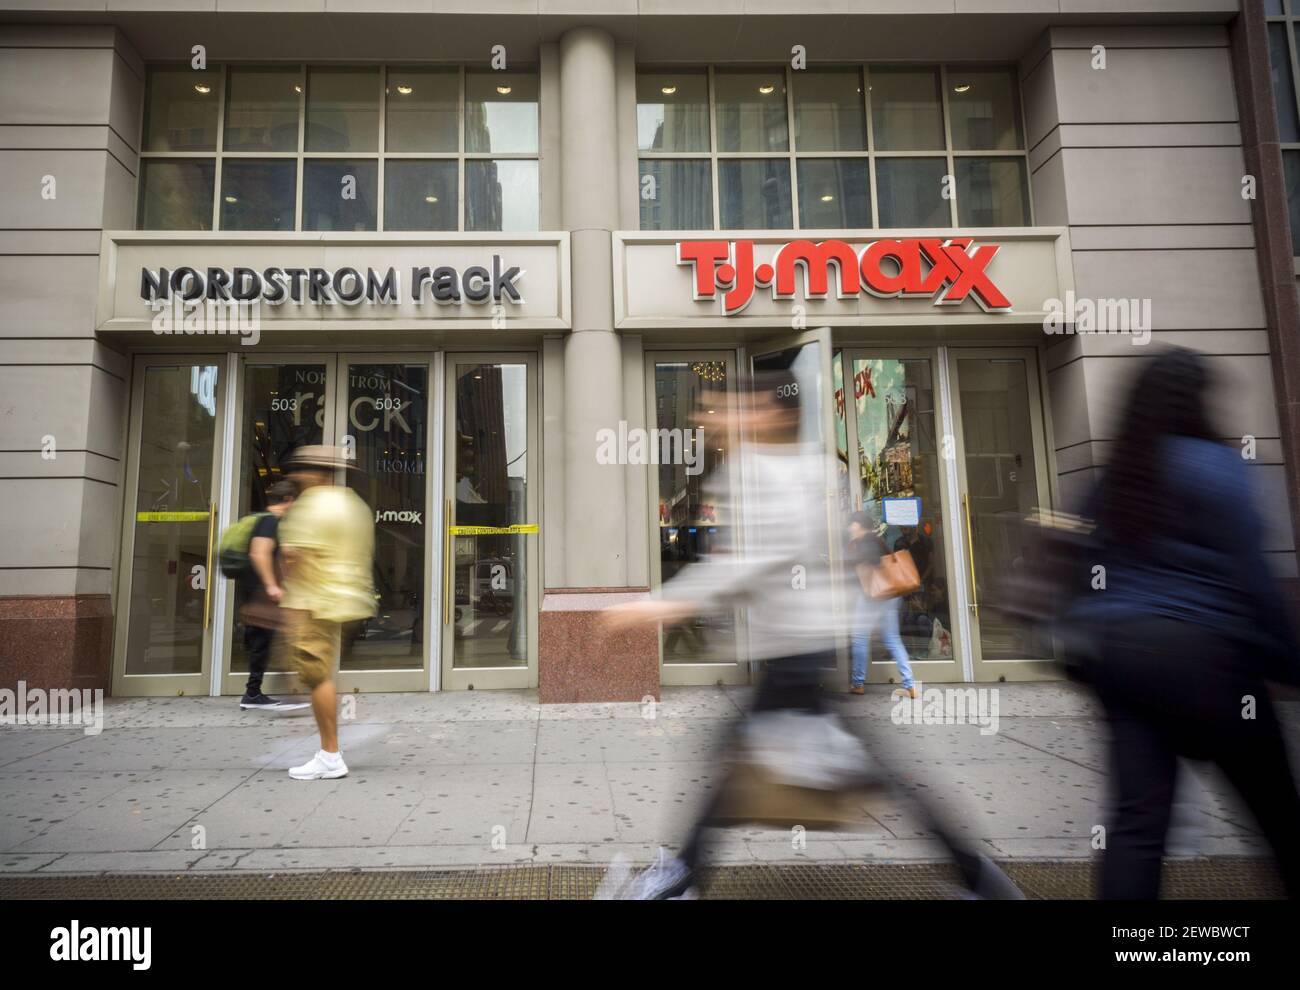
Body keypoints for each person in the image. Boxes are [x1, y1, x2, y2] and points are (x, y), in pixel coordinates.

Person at [1067, 347, 1300, 899]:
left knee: (1138, 826)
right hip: (1210, 661)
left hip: (1124, 661)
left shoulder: (1116, 479)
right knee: (1279, 815)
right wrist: (1287, 658)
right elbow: (1253, 577)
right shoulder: (1219, 470)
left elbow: (1084, 571)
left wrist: (1085, 654)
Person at [277, 446, 377, 781]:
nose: (296, 475)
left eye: (301, 469)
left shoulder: (310, 505)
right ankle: (331, 737)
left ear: (315, 473)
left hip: (313, 602)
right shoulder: (354, 505)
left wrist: (283, 598)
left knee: (316, 676)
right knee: (325, 675)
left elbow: (292, 556)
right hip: (347, 601)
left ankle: (329, 755)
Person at [238, 479, 309, 711]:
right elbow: (259, 553)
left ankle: (255, 692)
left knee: (267, 643)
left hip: (259, 594)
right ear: (287, 500)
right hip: (262, 594)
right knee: (271, 642)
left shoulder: (268, 522)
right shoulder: (269, 521)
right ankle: (254, 693)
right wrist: (271, 586)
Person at [846, 510, 915, 698]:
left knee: (859, 638)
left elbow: (872, 563)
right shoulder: (876, 540)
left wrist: (866, 590)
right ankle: (910, 685)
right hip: (890, 596)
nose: (849, 527)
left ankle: (858, 683)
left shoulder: (866, 541)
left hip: (873, 595)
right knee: (893, 639)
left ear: (859, 525)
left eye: (851, 523)